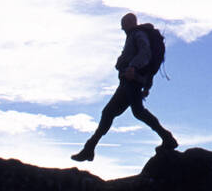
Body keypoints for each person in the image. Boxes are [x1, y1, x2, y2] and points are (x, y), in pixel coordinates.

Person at [71, 12, 177, 161]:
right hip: (131, 81)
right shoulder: (136, 35)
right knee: (112, 113)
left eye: (123, 25)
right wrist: (147, 85)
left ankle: (168, 138)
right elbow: (147, 61)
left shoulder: (137, 34)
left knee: (132, 112)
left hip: (131, 81)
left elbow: (145, 53)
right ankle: (89, 148)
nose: (122, 28)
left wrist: (132, 67)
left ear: (129, 23)